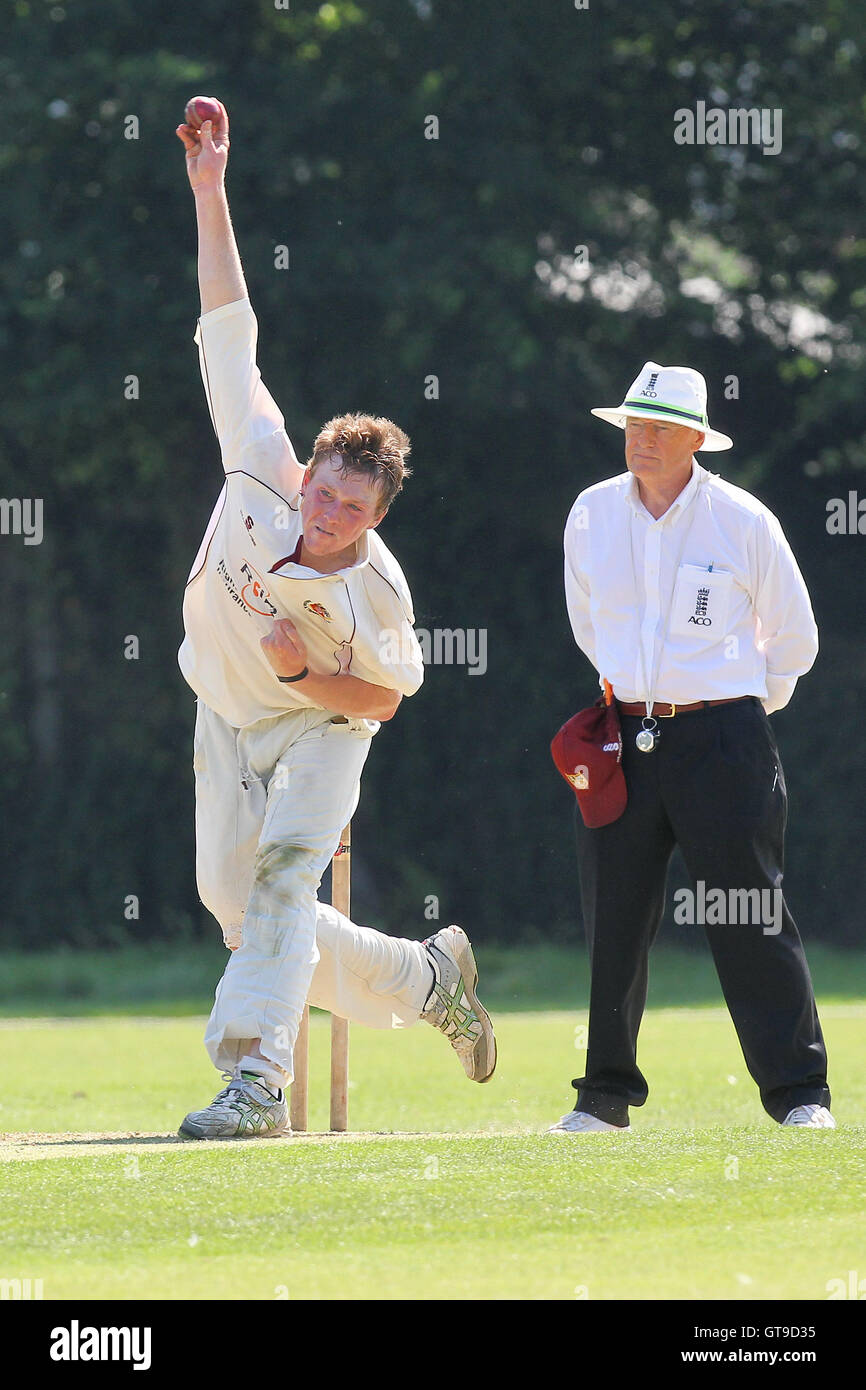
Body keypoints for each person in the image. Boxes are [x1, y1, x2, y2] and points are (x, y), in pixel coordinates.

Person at [173, 99, 495, 1139]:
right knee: (240, 910)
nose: (324, 516)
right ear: (304, 469)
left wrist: (307, 676)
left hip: (322, 725)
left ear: (375, 515)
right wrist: (211, 189)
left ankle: (254, 1084)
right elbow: (228, 316)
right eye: (320, 492)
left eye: (349, 511)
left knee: (276, 884)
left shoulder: (377, 592)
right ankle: (421, 977)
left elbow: (384, 700)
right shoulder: (256, 448)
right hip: (225, 706)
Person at [552, 360, 833, 1134]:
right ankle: (602, 1099)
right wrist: (638, 692)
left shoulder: (743, 519)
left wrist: (735, 704)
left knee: (749, 914)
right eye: (633, 426)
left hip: (725, 740)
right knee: (614, 917)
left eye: (660, 429)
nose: (641, 440)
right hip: (623, 736)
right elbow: (588, 622)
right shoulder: (590, 512)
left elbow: (795, 638)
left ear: (696, 440)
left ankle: (800, 1093)